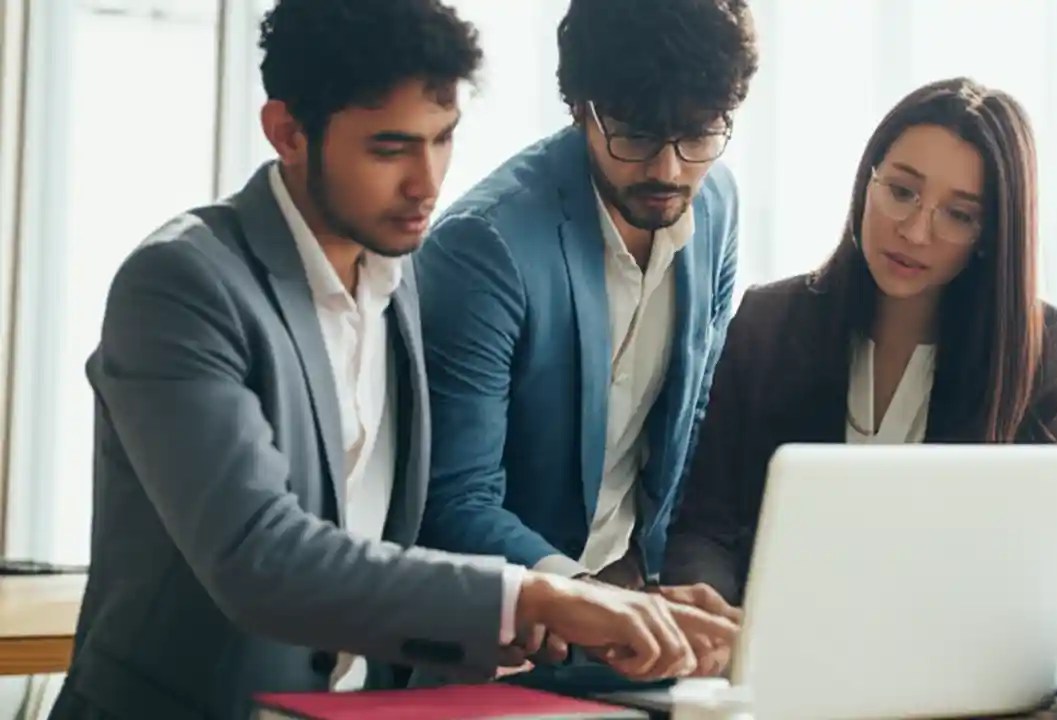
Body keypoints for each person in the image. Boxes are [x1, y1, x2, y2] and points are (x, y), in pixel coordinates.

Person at [50, 2, 735, 718]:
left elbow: (394, 540)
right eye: (389, 148)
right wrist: (536, 594)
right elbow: (262, 556)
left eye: (442, 141)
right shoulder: (182, 287)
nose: (426, 182)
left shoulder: (395, 280)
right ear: (287, 132)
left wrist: (556, 615)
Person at [662, 78, 1057, 638]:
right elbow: (704, 529)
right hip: (782, 663)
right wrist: (714, 611)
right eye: (902, 191)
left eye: (959, 214)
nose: (915, 231)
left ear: (990, 233)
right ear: (868, 181)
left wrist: (968, 628)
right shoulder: (771, 322)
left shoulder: (1041, 350)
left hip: (954, 678)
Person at [415, 0, 757, 624]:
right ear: (580, 108)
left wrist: (670, 590)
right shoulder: (485, 247)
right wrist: (590, 601)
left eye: (700, 133)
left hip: (636, 602)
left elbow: (692, 420)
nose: (668, 169)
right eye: (636, 133)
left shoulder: (716, 205)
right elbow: (453, 501)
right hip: (508, 633)